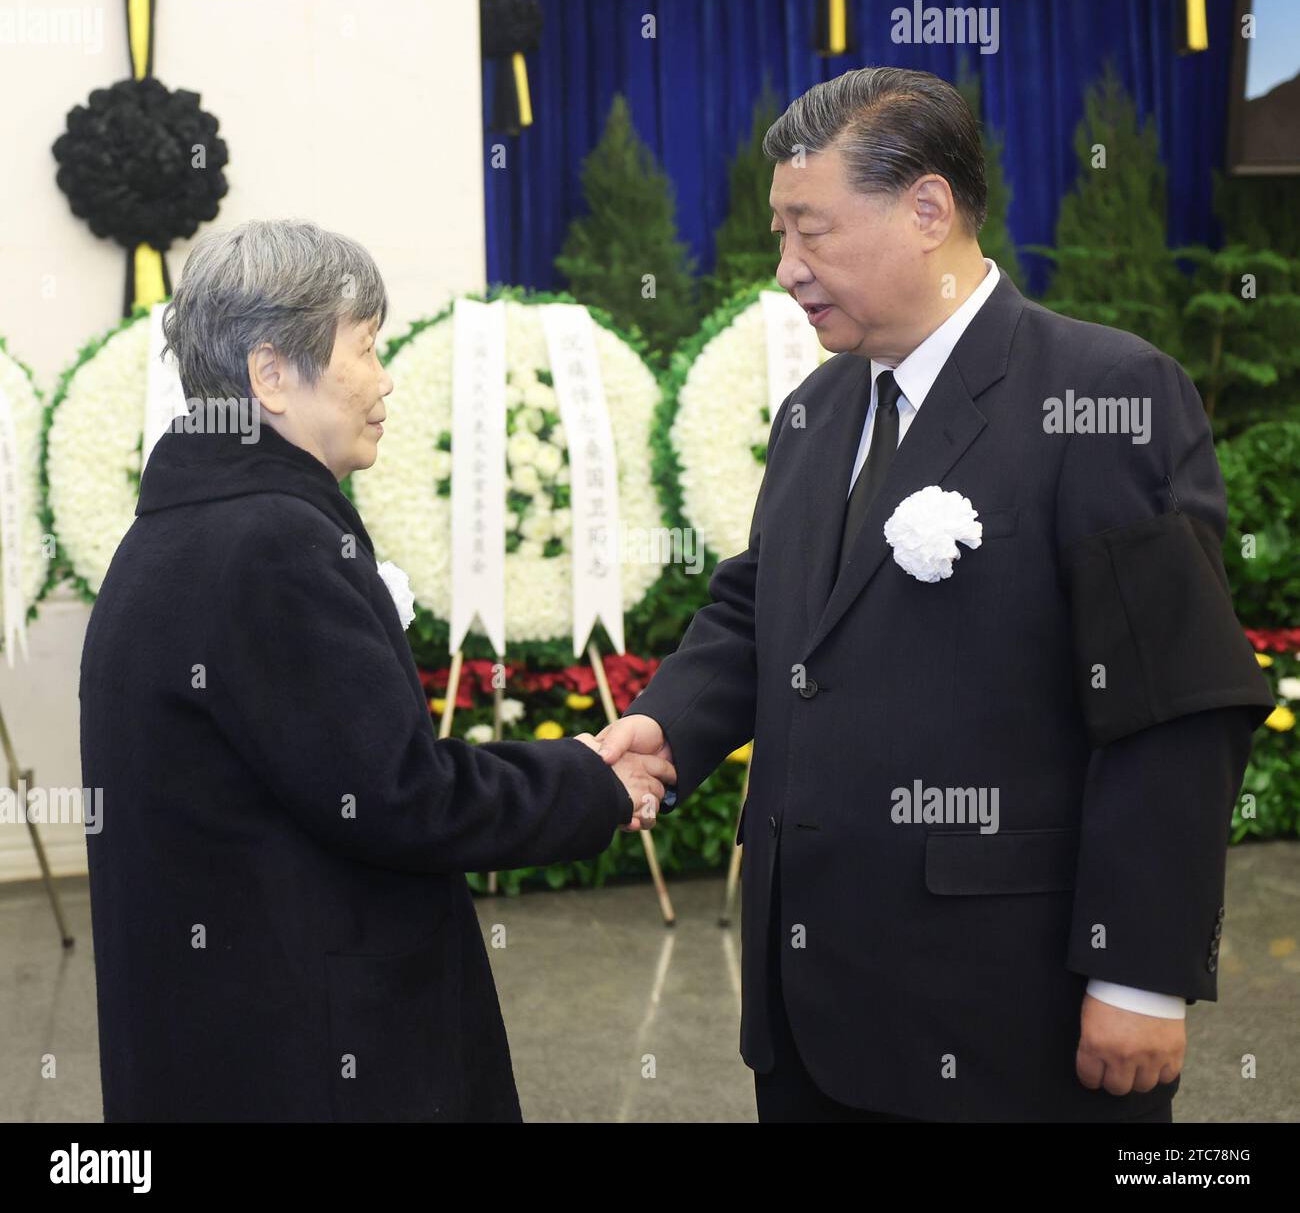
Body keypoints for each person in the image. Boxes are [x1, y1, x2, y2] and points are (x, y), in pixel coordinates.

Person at [595, 67, 1273, 1123]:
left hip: (1003, 1014)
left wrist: (1137, 972)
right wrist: (665, 726)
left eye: (810, 233)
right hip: (806, 1012)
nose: (785, 270)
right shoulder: (817, 412)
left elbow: (1172, 704)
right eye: (778, 236)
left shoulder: (1101, 395)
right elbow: (761, 607)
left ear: (925, 209)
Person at [79, 218, 673, 1122]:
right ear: (272, 374)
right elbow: (399, 794)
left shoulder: (177, 531)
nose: (385, 378)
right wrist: (589, 782)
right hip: (311, 1053)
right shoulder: (269, 542)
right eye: (367, 347)